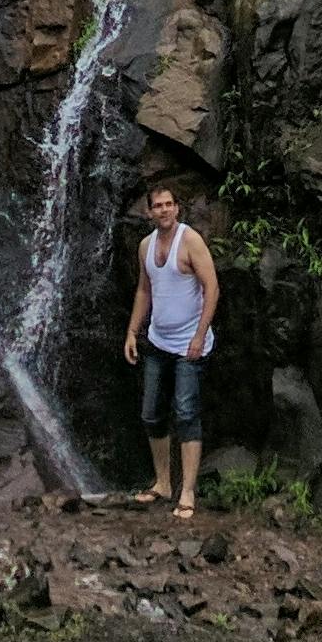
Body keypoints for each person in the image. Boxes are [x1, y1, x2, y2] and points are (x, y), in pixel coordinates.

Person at [124, 179, 218, 520]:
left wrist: (199, 335)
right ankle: (163, 483)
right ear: (149, 212)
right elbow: (144, 291)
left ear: (177, 207)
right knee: (151, 412)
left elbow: (212, 288)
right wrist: (132, 332)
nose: (163, 210)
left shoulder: (190, 240)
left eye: (168, 204)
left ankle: (188, 491)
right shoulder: (146, 246)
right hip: (158, 341)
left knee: (186, 412)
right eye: (157, 206)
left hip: (189, 346)